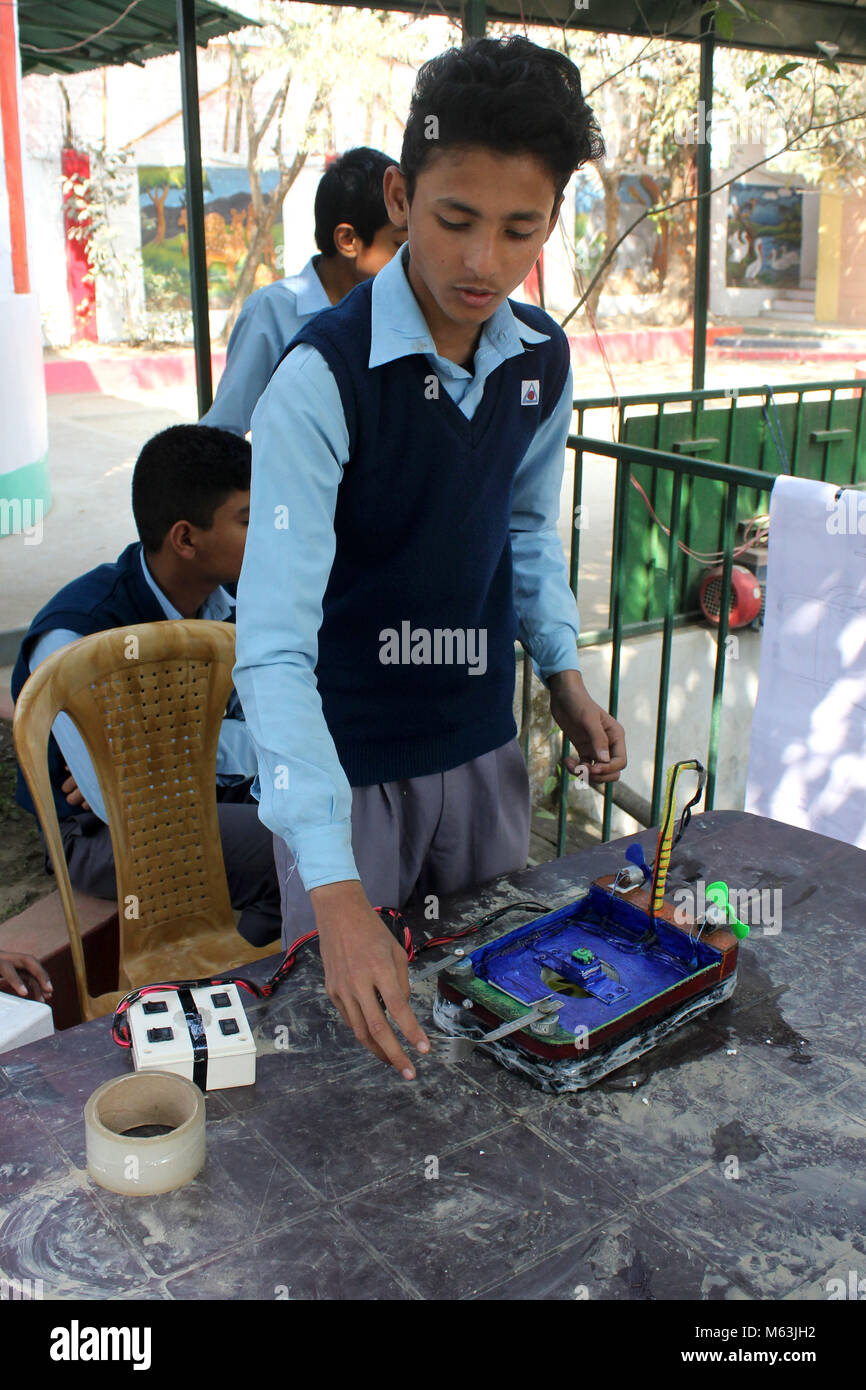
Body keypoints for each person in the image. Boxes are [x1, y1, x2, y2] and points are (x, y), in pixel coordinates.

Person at [233, 36, 627, 1079]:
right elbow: (269, 648)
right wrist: (330, 886)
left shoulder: (538, 359)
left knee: (497, 1030)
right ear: (404, 197)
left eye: (518, 230)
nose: (481, 263)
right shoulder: (320, 383)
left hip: (477, 753)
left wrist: (561, 674)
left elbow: (526, 529)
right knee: (351, 1056)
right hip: (348, 770)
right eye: (455, 221)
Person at [10, 425, 281, 948]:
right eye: (249, 520)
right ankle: (238, 991)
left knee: (329, 810)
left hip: (202, 797)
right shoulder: (77, 631)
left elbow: (276, 719)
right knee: (290, 845)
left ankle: (249, 967)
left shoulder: (233, 598)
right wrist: (135, 768)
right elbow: (111, 796)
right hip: (97, 836)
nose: (273, 531)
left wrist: (147, 755)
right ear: (185, 538)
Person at [201, 147, 407, 437]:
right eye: (400, 244)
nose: (413, 260)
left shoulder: (399, 309)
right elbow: (224, 430)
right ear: (348, 240)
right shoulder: (273, 311)